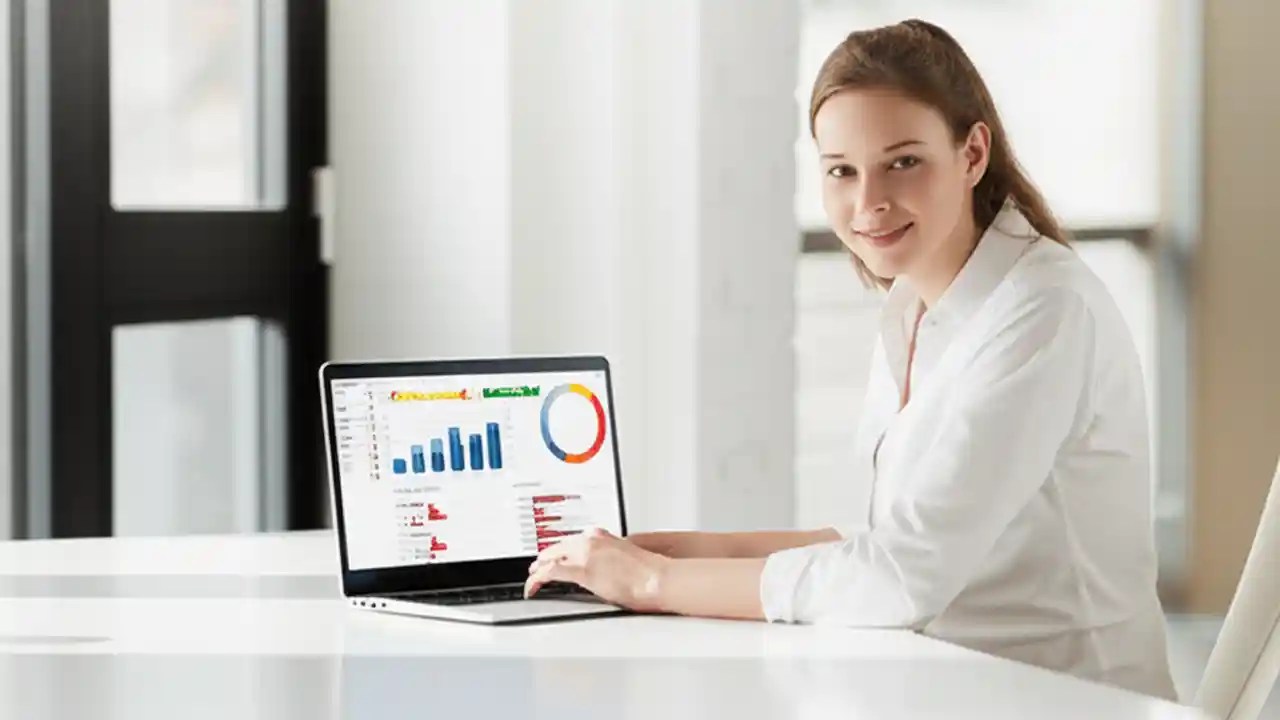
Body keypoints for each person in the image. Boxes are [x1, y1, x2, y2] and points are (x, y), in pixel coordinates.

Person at [524, 18, 1176, 700]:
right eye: (842, 171)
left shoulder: (1045, 308)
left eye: (903, 162)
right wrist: (673, 552)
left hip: (1070, 701)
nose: (868, 203)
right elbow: (881, 540)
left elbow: (900, 577)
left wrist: (654, 584)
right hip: (951, 688)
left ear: (973, 152)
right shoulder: (914, 307)